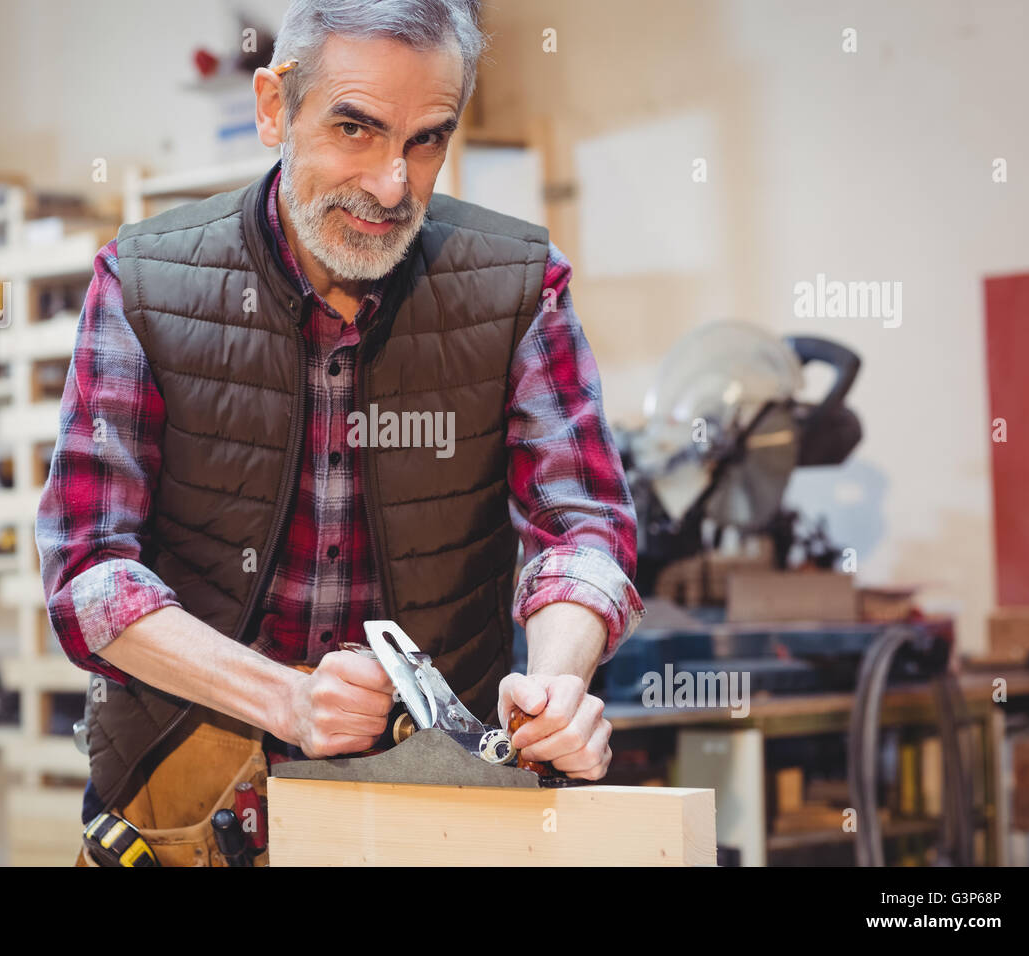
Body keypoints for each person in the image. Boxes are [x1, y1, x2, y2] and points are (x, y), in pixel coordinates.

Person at [36, 0, 644, 862]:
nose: (393, 184)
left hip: (433, 810)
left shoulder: (518, 287)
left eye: (426, 139)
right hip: (183, 797)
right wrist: (284, 699)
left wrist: (553, 685)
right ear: (273, 108)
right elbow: (88, 571)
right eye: (354, 129)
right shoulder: (142, 283)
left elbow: (584, 527)